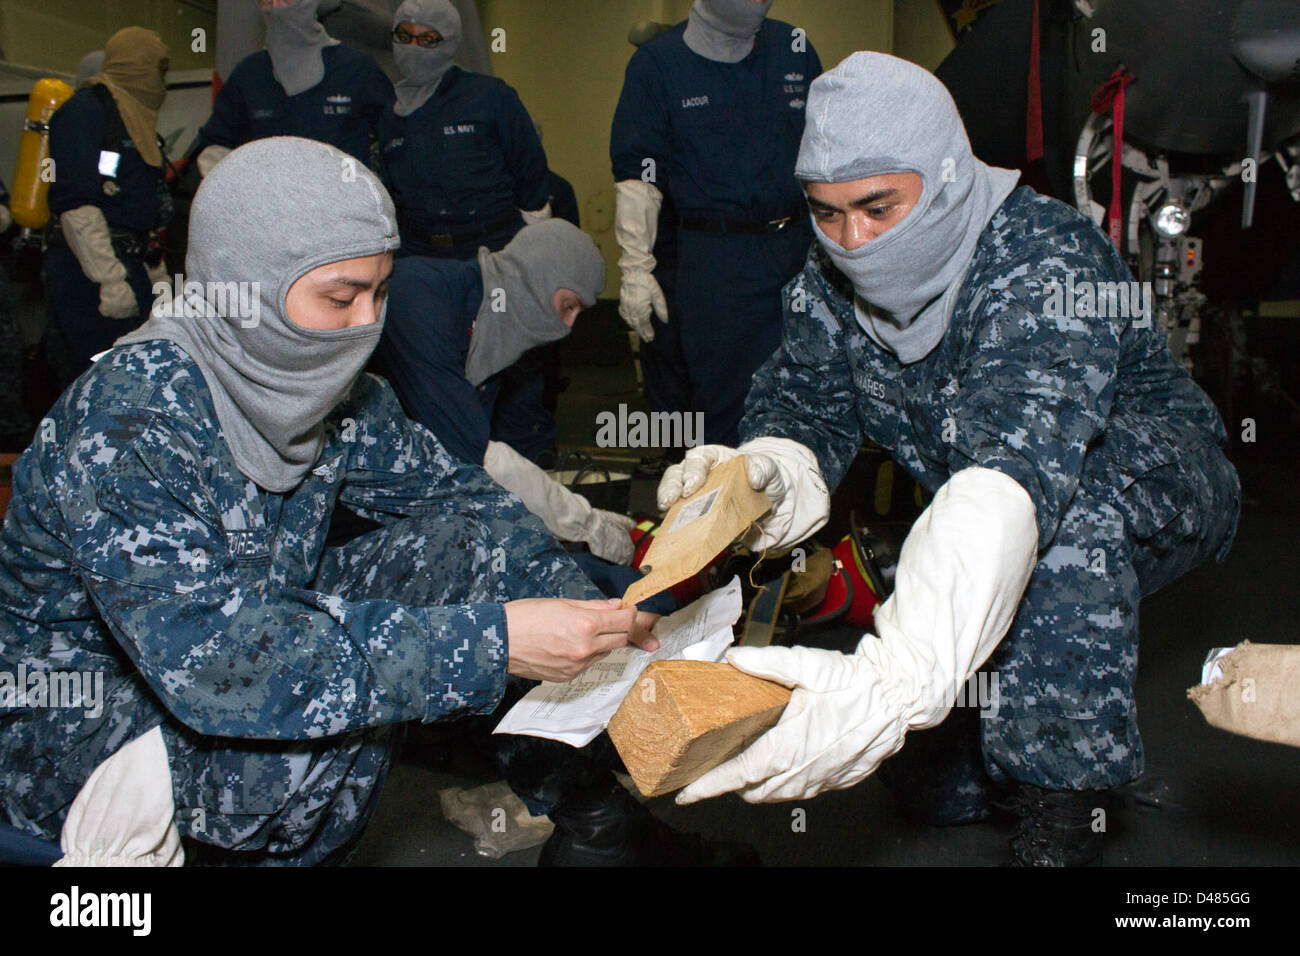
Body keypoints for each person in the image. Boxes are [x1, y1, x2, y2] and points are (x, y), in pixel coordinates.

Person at [0, 136, 659, 866]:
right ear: (246, 282)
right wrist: (493, 643)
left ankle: (592, 812)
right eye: (340, 297)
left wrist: (593, 622)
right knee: (335, 700)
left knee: (462, 549)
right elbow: (221, 669)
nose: (366, 324)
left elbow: (468, 500)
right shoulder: (131, 417)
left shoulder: (338, 396)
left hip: (240, 640)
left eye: (380, 294)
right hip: (88, 729)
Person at [655, 53, 1241, 866]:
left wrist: (897, 684)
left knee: (1053, 549)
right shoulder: (829, 276)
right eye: (825, 213)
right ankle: (1007, 743)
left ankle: (1064, 822)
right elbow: (805, 402)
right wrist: (767, 469)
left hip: (1146, 478)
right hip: (976, 490)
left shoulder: (1044, 259)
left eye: (877, 207)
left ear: (944, 176)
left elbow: (1016, 476)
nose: (852, 239)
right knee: (936, 791)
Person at [610, 0, 821, 448]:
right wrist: (635, 267)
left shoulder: (794, 47)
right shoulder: (657, 65)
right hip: (718, 256)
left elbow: (826, 148)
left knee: (811, 391)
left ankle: (804, 506)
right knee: (729, 405)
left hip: (799, 245)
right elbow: (639, 176)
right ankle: (723, 509)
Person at [372, 219, 637, 565]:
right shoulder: (421, 298)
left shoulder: (488, 336)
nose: (568, 326)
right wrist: (583, 522)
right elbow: (469, 453)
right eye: (567, 305)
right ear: (537, 279)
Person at [43, 27, 172, 388]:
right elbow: (76, 205)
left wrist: (156, 275)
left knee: (141, 378)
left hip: (131, 264)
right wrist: (110, 280)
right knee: (97, 381)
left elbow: (141, 207)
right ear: (135, 64)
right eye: (157, 68)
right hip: (89, 274)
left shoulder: (133, 117)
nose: (161, 80)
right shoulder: (85, 111)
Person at [378, 0, 551, 261]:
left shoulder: (489, 96)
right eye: (405, 37)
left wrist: (532, 248)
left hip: (494, 249)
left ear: (448, 42)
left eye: (427, 40)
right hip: (422, 256)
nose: (413, 48)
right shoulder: (389, 113)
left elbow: (530, 172)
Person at [192, 0, 393, 176]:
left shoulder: (356, 69)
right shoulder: (250, 73)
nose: (276, 9)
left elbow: (395, 138)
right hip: (272, 209)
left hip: (340, 209)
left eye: (286, 0)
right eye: (267, 1)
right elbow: (215, 144)